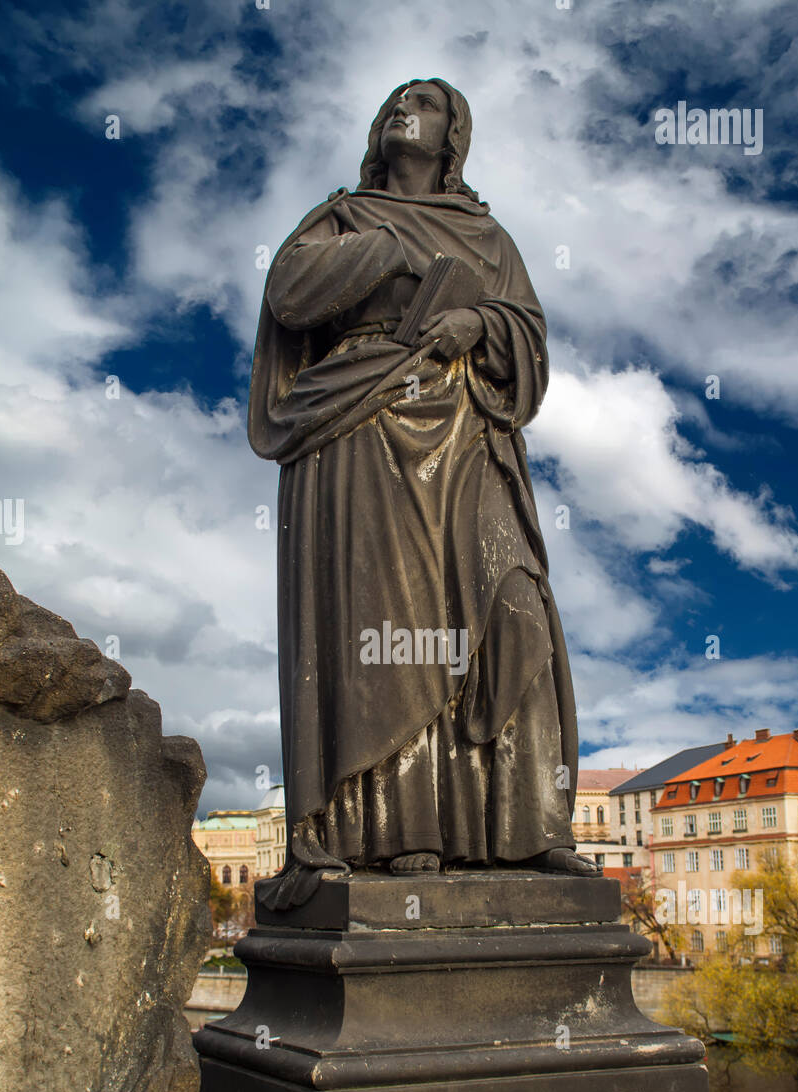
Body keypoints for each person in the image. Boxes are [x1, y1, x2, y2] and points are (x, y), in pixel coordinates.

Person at [248, 78, 598, 908]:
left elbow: (532, 343)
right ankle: (398, 831)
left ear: (453, 137)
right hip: (362, 424)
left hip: (469, 425)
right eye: (397, 100)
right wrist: (398, 255)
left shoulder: (490, 235)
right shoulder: (341, 215)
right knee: (390, 626)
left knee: (513, 602)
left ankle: (525, 827)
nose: (407, 108)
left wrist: (481, 324)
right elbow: (290, 293)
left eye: (429, 103)